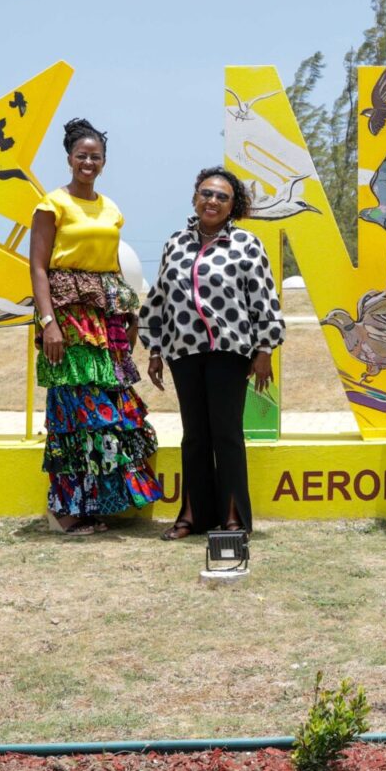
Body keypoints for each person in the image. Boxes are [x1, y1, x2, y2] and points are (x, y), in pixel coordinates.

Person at [28, 118, 163, 533]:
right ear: (69, 158)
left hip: (107, 317)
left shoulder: (112, 208)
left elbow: (113, 267)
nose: (89, 162)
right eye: (82, 155)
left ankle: (99, 503)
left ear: (104, 162)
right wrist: (49, 322)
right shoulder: (52, 204)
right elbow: (37, 266)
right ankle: (67, 510)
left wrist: (127, 316)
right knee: (72, 407)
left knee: (106, 410)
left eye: (96, 156)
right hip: (68, 316)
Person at [141, 167, 284, 540]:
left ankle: (234, 518)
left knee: (227, 435)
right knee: (194, 437)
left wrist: (265, 348)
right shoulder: (175, 243)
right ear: (195, 197)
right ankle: (193, 516)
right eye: (207, 193)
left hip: (230, 351)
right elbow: (159, 298)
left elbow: (264, 298)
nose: (213, 201)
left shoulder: (246, 244)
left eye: (222, 196)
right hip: (182, 351)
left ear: (232, 205)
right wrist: (155, 349)